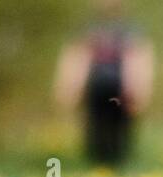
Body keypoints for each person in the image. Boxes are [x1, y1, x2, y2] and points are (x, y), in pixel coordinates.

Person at [54, 0, 154, 166]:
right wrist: (70, 87)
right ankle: (98, 168)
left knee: (120, 132)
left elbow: (139, 58)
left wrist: (139, 89)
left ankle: (117, 167)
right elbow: (77, 58)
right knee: (96, 130)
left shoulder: (131, 30)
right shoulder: (88, 28)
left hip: (122, 90)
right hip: (96, 89)